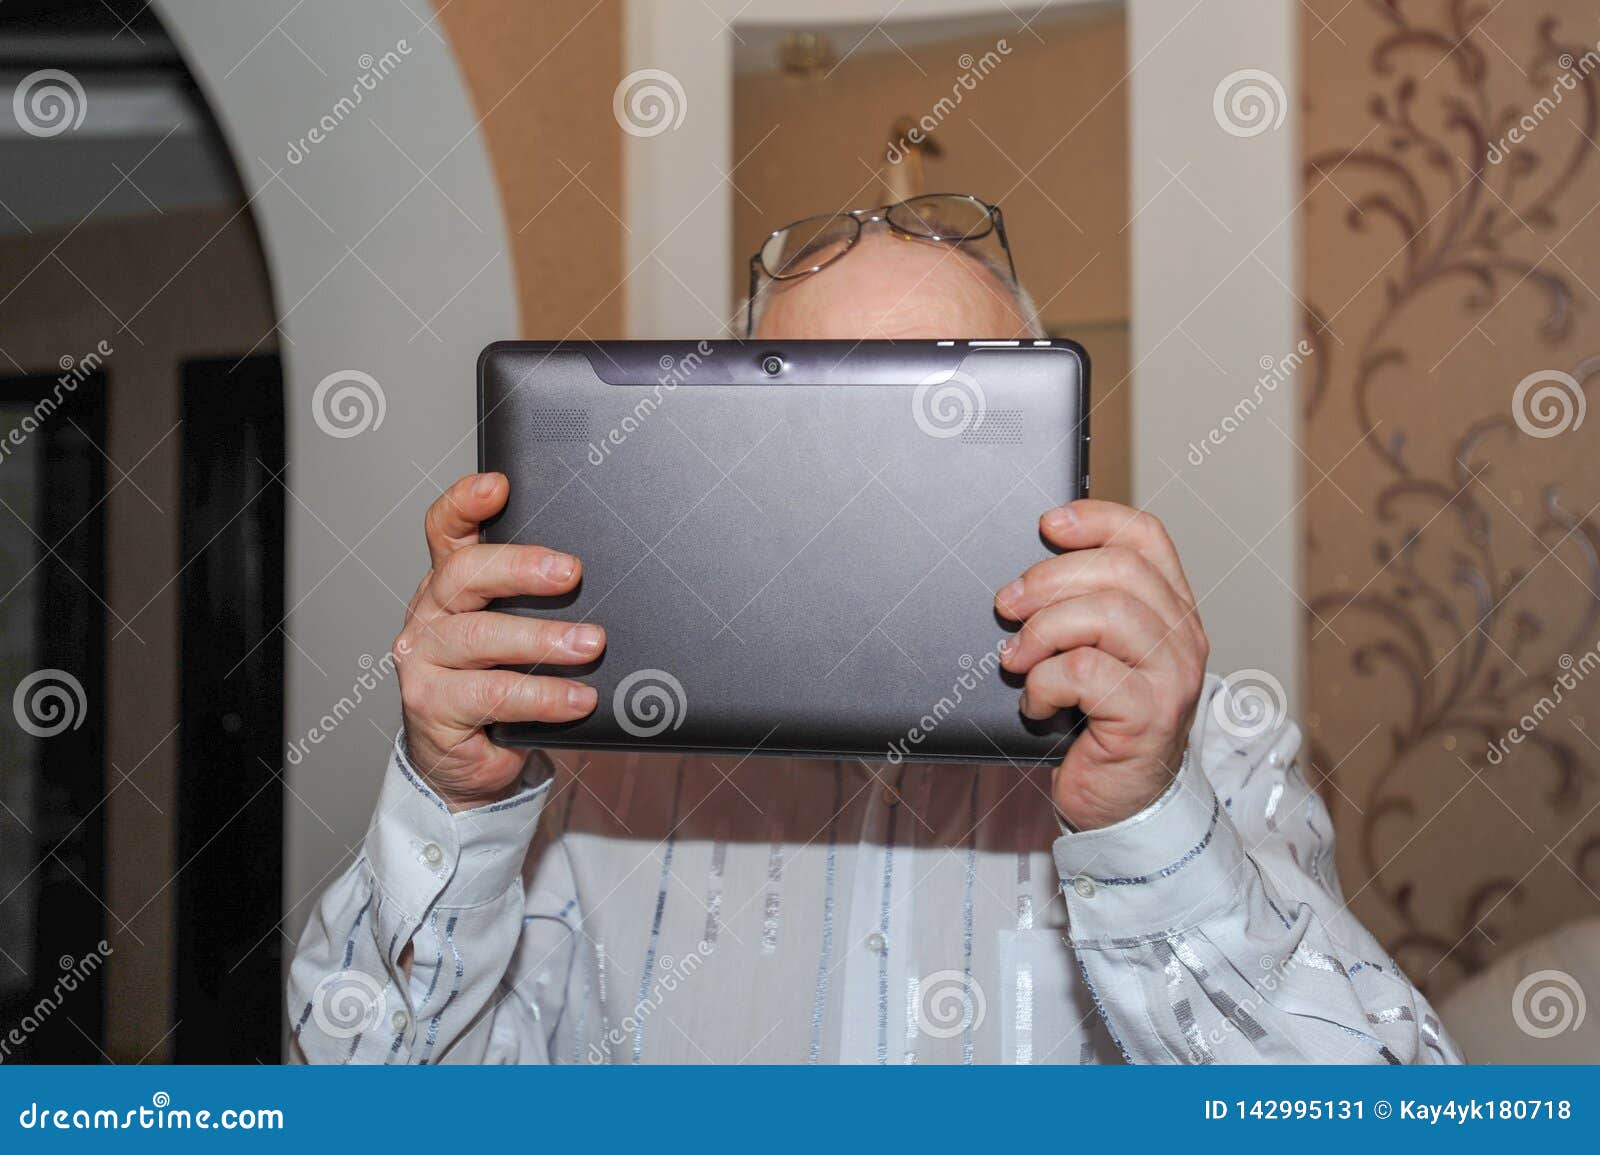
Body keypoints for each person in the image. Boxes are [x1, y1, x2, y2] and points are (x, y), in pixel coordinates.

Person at [288, 197, 1460, 1064]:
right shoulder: (590, 773)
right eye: (821, 428)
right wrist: (455, 801)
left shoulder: (1205, 748)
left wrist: (1145, 821)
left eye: (939, 423)